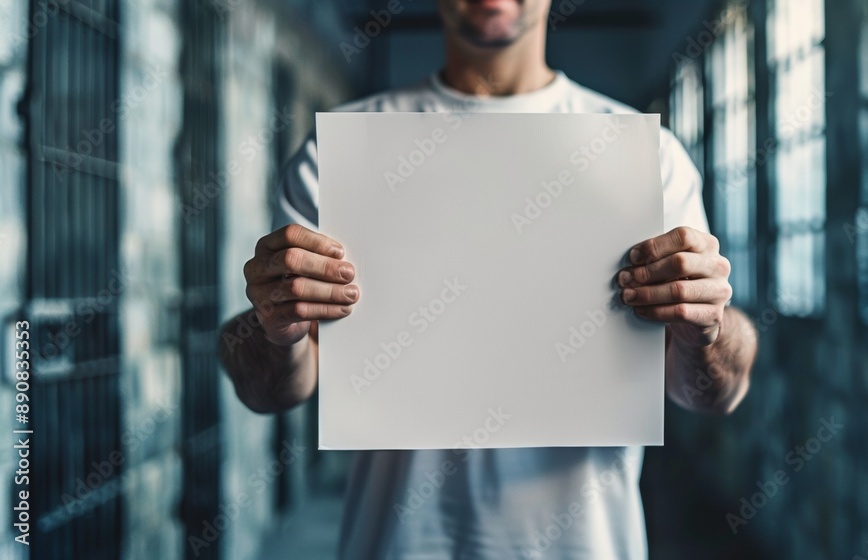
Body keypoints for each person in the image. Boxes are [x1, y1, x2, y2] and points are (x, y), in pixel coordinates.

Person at [219, 0, 757, 557]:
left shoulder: (649, 158)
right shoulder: (336, 155)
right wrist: (273, 328)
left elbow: (714, 393)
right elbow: (269, 390)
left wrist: (708, 328)